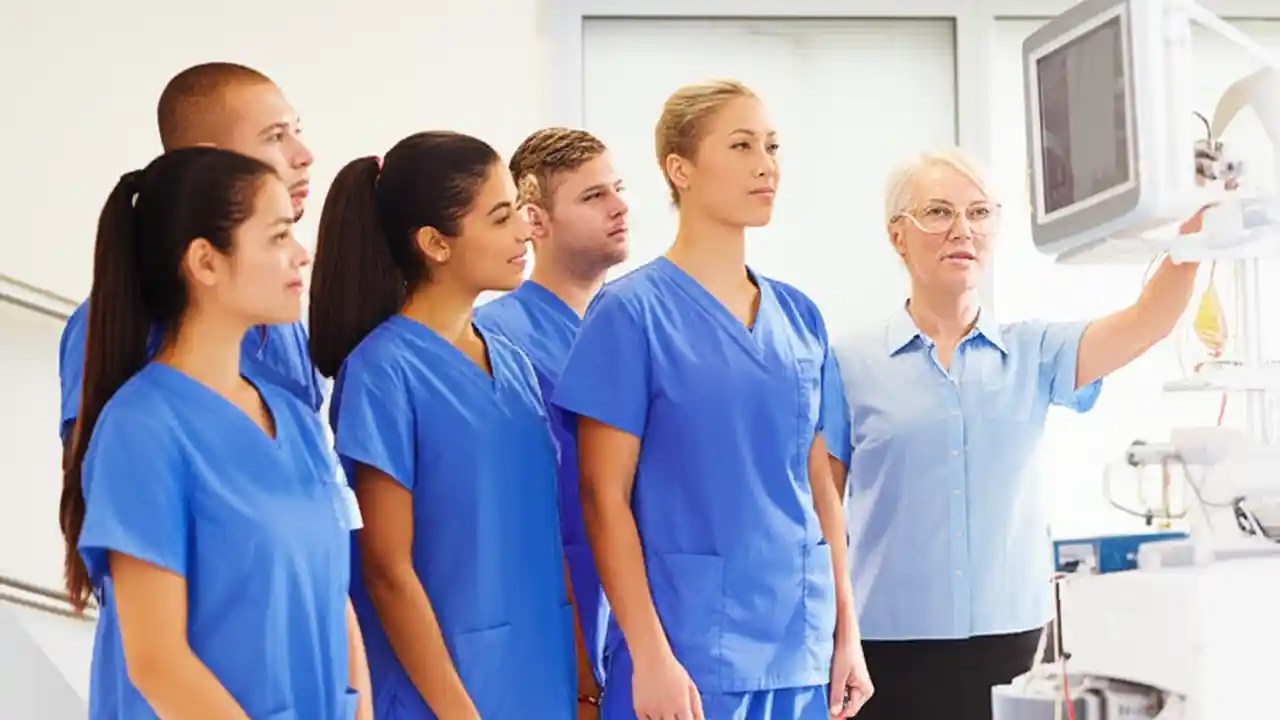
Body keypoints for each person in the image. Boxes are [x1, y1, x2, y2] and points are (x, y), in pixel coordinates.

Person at [820, 148, 1202, 720]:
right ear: (898, 235)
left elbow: (1149, 319)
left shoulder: (1035, 353)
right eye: (939, 212)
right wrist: (837, 630)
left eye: (979, 213)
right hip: (885, 652)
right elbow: (822, 512)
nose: (962, 230)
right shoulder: (848, 364)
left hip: (1017, 646)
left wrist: (1198, 223)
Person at [551, 79, 873, 720]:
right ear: (681, 169)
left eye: (773, 146)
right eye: (742, 145)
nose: (766, 165)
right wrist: (650, 656)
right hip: (688, 655)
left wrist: (847, 633)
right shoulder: (631, 314)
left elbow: (818, 485)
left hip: (800, 644)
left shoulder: (799, 316)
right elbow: (601, 497)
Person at [60, 146, 371, 719]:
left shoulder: (294, 419)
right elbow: (157, 663)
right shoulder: (142, 430)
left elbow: (333, 598)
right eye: (278, 238)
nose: (301, 257)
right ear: (205, 262)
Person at [309, 131, 576, 719]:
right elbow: (386, 568)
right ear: (435, 242)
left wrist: (581, 678)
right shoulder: (383, 371)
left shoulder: (511, 358)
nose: (524, 231)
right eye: (500, 217)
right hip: (442, 694)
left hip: (538, 677)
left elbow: (540, 527)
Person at [58, 62, 321, 452]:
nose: (304, 155)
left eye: (297, 132)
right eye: (275, 137)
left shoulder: (282, 315)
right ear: (206, 160)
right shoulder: (117, 318)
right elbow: (91, 492)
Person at [473, 126, 629, 703]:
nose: (620, 207)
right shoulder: (495, 339)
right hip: (550, 620)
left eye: (618, 189)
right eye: (594, 197)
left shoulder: (633, 327)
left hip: (640, 617)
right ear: (534, 220)